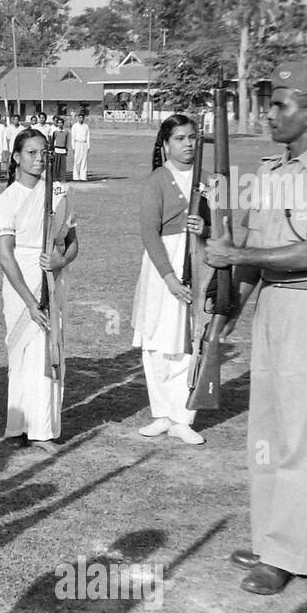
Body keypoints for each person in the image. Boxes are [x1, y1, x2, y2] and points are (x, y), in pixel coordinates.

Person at [204, 61, 307, 596]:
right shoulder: (272, 171)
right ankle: (271, 539)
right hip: (273, 303)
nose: (270, 113)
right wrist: (226, 317)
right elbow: (250, 259)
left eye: (279, 104)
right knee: (268, 432)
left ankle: (290, 554)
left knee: (304, 439)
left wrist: (237, 252)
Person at [0, 128, 80, 449]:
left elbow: (73, 246)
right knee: (20, 351)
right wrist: (30, 302)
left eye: (43, 152)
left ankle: (42, 430)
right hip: (21, 283)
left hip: (53, 279)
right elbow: (5, 255)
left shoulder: (58, 193)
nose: (38, 159)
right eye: (31, 153)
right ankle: (16, 425)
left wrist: (58, 261)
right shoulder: (7, 199)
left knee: (48, 350)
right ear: (16, 157)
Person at [131, 115, 210, 446]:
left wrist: (206, 227)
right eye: (180, 138)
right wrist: (169, 277)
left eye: (191, 137)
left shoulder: (208, 181)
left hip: (196, 261)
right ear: (166, 144)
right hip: (163, 267)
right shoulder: (157, 181)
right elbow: (150, 233)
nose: (188, 144)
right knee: (157, 341)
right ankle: (162, 412)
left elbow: (225, 225)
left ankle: (182, 417)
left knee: (186, 341)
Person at [71, 112, 91, 181]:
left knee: (84, 160)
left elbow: (88, 136)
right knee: (77, 160)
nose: (80, 119)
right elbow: (73, 137)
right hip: (77, 144)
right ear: (77, 118)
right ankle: (76, 177)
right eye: (79, 117)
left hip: (84, 144)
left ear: (84, 118)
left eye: (82, 117)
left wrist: (88, 146)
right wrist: (73, 147)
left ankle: (83, 177)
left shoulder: (86, 126)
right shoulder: (75, 126)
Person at [51, 117, 69, 181]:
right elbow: (53, 141)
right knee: (56, 165)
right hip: (56, 150)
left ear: (63, 124)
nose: (60, 124)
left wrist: (66, 150)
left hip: (63, 150)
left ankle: (62, 178)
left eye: (61, 123)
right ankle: (55, 178)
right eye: (58, 123)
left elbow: (67, 141)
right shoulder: (55, 132)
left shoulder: (66, 132)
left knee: (63, 165)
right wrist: (52, 150)